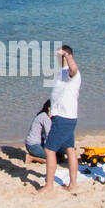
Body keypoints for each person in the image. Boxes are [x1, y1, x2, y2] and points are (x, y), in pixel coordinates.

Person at [40, 44, 80, 193]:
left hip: (64, 118)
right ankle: (73, 184)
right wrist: (53, 110)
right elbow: (59, 93)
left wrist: (66, 54)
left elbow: (74, 69)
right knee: (70, 149)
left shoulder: (71, 72)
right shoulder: (62, 72)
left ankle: (49, 185)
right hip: (64, 116)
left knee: (49, 149)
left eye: (59, 56)